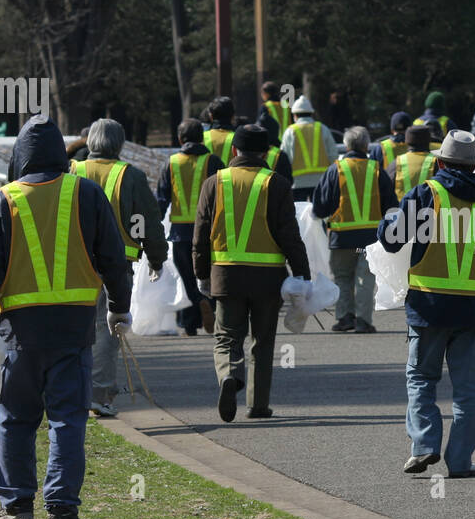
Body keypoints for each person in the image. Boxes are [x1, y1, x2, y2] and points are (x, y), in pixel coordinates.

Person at [0, 115, 132, 519]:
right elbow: (114, 259)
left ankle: (16, 504)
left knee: (16, 418)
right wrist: (119, 307)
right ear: (62, 154)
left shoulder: (4, 199)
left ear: (19, 155)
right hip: (75, 329)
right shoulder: (87, 193)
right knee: (68, 418)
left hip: (19, 331)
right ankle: (62, 507)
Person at [377, 130, 475, 477]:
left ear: (440, 161)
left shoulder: (426, 194)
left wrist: (389, 217)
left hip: (429, 306)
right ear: (472, 165)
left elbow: (392, 239)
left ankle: (424, 446)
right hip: (474, 308)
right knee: (467, 390)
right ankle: (460, 462)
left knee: (421, 378)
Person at [193, 124, 312, 422]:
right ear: (266, 152)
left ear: (234, 150)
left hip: (225, 276)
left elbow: (200, 235)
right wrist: (302, 274)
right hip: (267, 278)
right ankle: (258, 404)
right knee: (262, 340)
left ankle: (229, 376)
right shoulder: (277, 183)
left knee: (226, 337)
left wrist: (201, 273)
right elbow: (290, 237)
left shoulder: (214, 183)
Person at [70, 119, 169, 417]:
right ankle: (100, 394)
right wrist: (156, 258)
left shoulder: (71, 172)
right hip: (116, 264)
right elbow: (148, 222)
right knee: (106, 328)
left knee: (74, 329)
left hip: (73, 264)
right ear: (120, 144)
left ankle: (71, 392)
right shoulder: (132, 176)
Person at [314, 126, 399, 333]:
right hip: (368, 239)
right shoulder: (376, 169)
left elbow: (320, 206)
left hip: (341, 238)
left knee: (343, 278)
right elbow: (391, 206)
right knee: (365, 278)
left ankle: (344, 318)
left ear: (347, 144)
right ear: (365, 145)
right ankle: (363, 320)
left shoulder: (336, 170)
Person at [156, 118, 224, 336]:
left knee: (186, 276)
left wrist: (152, 225)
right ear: (202, 138)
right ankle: (209, 305)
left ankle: (189, 322)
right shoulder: (213, 161)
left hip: (180, 232)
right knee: (208, 273)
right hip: (209, 230)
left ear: (179, 139)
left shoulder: (171, 162)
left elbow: (161, 198)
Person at [281, 95, 337, 201]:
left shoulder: (290, 131)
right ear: (311, 114)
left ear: (295, 115)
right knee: (319, 216)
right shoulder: (322, 128)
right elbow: (333, 155)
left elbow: (284, 157)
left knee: (299, 214)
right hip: (321, 181)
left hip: (297, 182)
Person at [389, 125, 440, 200]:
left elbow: (387, 191)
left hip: (402, 210)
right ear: (428, 140)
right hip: (428, 210)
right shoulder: (437, 162)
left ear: (407, 141)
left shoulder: (396, 163)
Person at [257, 81, 293, 146]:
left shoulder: (266, 107)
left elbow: (261, 127)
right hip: (288, 142)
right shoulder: (287, 105)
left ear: (266, 94)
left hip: (273, 144)